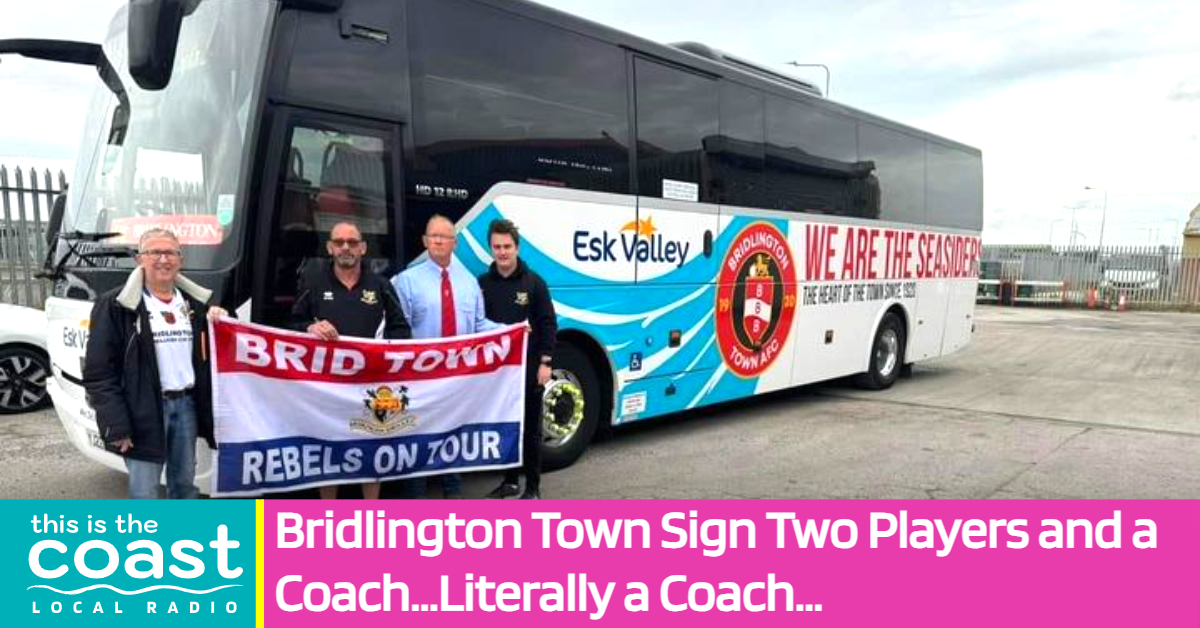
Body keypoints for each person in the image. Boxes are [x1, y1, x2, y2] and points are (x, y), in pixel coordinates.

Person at [84, 228, 227, 499]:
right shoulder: (115, 305)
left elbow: (215, 355)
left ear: (180, 260)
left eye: (170, 253)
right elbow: (99, 373)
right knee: (144, 493)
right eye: (155, 252)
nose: (163, 259)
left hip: (186, 408)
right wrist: (116, 424)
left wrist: (220, 319)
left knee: (185, 486)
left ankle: (182, 539)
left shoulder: (196, 305)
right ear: (140, 259)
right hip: (142, 411)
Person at [292, 221, 411, 499]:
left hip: (371, 384)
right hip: (328, 385)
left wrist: (383, 356)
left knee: (370, 452)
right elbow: (290, 324)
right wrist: (309, 328)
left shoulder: (380, 286)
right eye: (340, 242)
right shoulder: (314, 284)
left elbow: (401, 329)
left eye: (353, 242)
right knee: (329, 451)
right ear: (330, 247)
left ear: (363, 248)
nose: (346, 247)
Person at [392, 214, 499, 498]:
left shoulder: (469, 283)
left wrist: (511, 330)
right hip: (419, 379)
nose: (439, 241)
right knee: (417, 442)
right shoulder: (406, 281)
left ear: (455, 243)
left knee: (452, 437)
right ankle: (414, 501)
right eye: (433, 236)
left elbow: (479, 326)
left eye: (445, 237)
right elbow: (396, 330)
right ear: (425, 241)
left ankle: (453, 497)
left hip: (456, 379)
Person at [478, 219, 556, 500]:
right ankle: (509, 482)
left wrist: (545, 363)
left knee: (530, 429)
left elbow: (548, 324)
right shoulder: (483, 283)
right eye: (497, 247)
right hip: (497, 372)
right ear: (491, 248)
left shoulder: (534, 283)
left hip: (529, 369)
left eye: (507, 246)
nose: (502, 252)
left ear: (517, 247)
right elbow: (478, 323)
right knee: (504, 427)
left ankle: (533, 488)